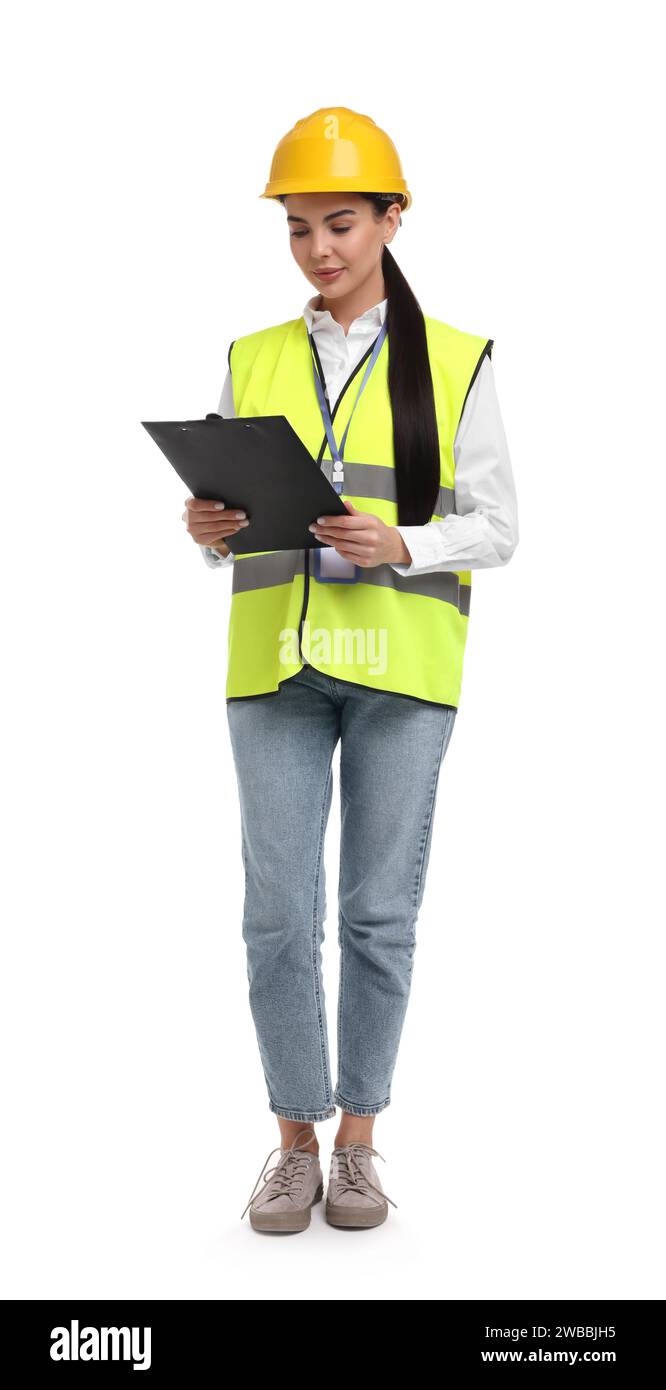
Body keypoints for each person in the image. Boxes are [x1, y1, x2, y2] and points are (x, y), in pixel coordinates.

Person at [182, 107, 519, 1234]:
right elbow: (233, 524)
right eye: (298, 229)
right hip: (275, 662)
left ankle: (360, 1144)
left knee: (378, 913)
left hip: (402, 665)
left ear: (391, 217)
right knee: (277, 912)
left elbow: (499, 526)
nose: (319, 249)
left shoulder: (457, 359)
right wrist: (209, 524)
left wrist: (407, 541)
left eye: (339, 223)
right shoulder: (253, 356)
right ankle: (291, 1141)